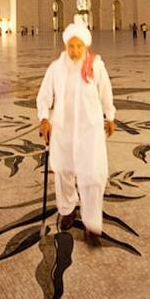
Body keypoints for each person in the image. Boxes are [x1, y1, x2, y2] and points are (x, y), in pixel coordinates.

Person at [37, 14, 116, 247]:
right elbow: (44, 95)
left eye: (78, 46)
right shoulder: (56, 68)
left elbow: (105, 92)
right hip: (62, 130)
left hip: (89, 130)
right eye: (71, 45)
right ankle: (67, 208)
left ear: (86, 45)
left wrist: (109, 115)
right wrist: (44, 118)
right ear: (65, 45)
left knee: (92, 175)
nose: (74, 50)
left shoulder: (96, 66)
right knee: (63, 172)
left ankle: (92, 224)